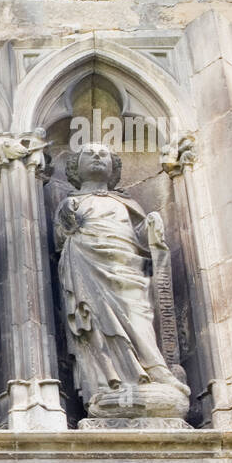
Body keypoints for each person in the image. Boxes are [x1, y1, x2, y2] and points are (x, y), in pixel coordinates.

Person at [55, 142, 189, 415]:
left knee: (138, 315)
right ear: (75, 168)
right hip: (88, 266)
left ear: (113, 167)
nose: (96, 156)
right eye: (88, 154)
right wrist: (66, 222)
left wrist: (150, 228)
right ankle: (109, 383)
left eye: (103, 154)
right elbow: (61, 238)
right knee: (96, 322)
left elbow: (139, 240)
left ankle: (154, 370)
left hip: (128, 269)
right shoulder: (71, 202)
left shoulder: (127, 204)